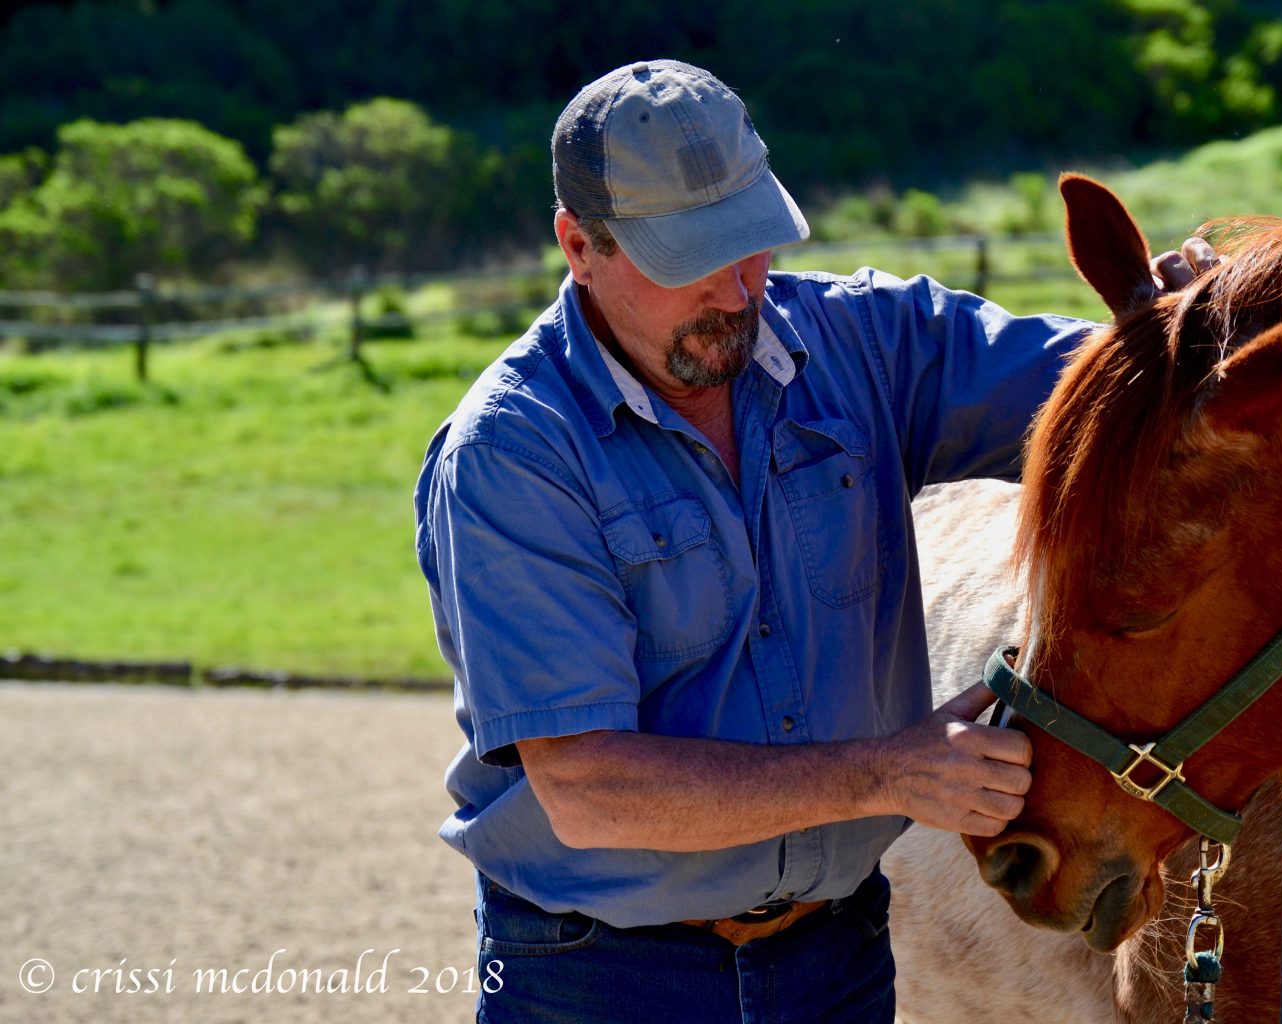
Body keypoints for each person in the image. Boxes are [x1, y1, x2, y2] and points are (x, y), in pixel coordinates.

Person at [414, 59, 1211, 1024]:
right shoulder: (513, 453)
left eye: (751, 243)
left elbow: (1121, 392)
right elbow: (591, 789)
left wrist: (1190, 334)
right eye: (689, 259)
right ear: (580, 246)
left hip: (839, 958)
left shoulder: (865, 343)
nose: (736, 287)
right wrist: (892, 771)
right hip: (601, 980)